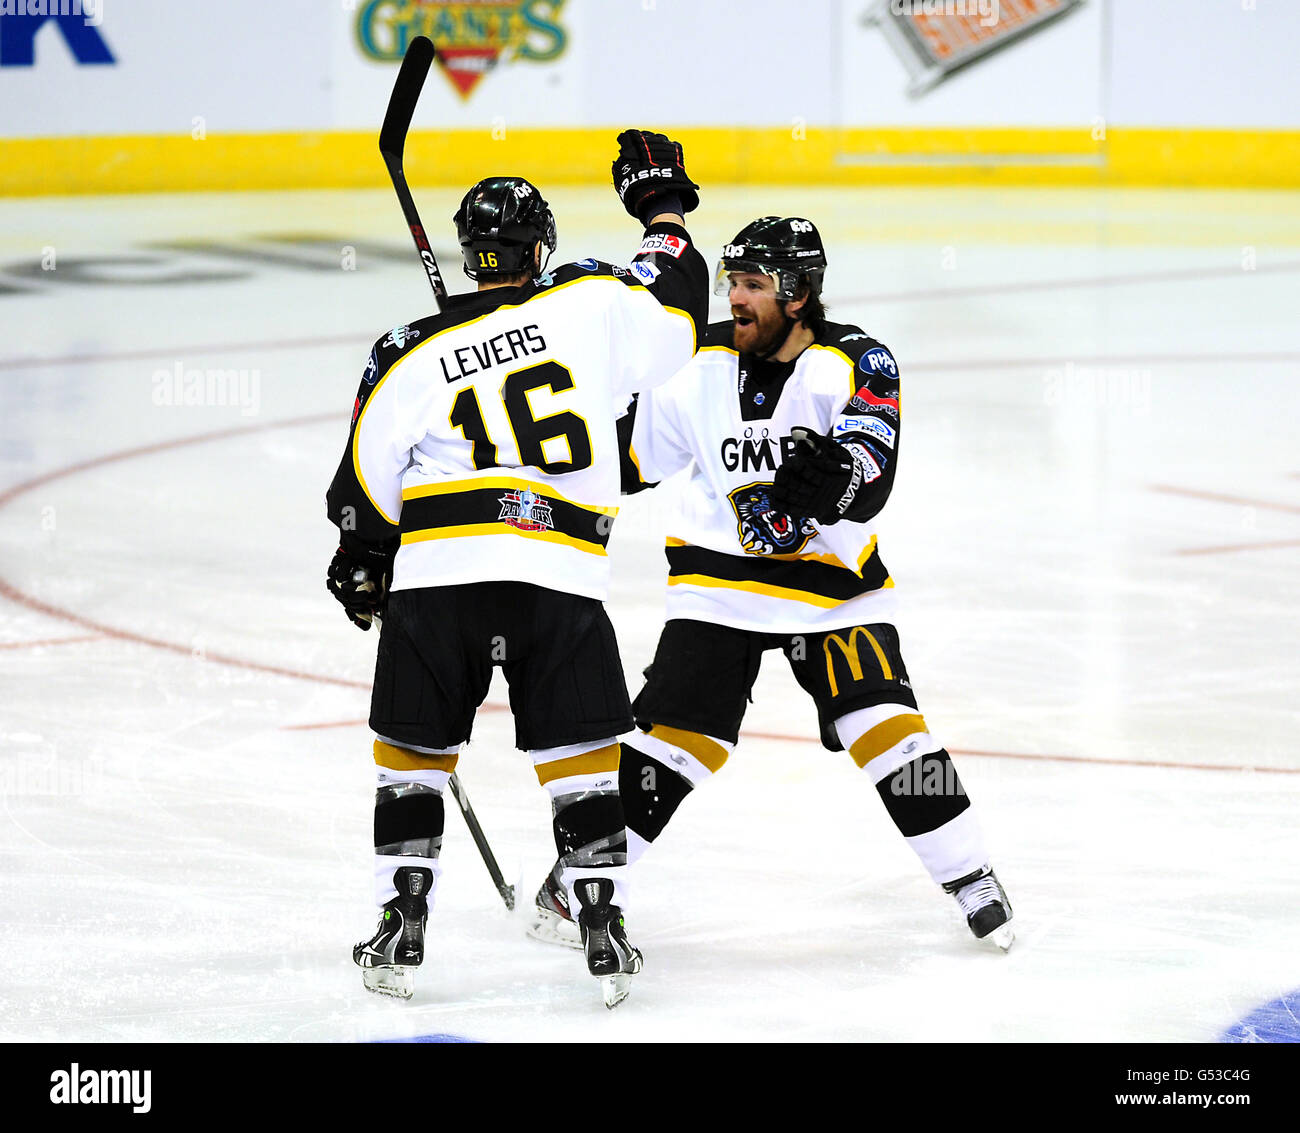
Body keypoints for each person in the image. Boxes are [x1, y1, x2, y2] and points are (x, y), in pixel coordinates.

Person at [528, 216, 1014, 954]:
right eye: (732, 282)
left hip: (833, 589)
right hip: (716, 585)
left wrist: (841, 478)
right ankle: (583, 877)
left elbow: (869, 470)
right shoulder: (696, 361)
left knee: (884, 728)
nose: (736, 297)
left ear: (799, 293)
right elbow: (627, 461)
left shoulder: (857, 360)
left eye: (754, 285)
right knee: (676, 741)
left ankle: (968, 871)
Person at [324, 130, 708, 1007]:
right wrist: (659, 202)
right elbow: (682, 302)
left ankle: (401, 917)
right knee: (580, 748)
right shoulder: (593, 302)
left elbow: (363, 486)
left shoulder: (406, 346)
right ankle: (601, 919)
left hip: (437, 579)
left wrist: (362, 563)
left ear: (470, 255)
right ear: (541, 250)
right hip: (560, 575)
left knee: (413, 751)